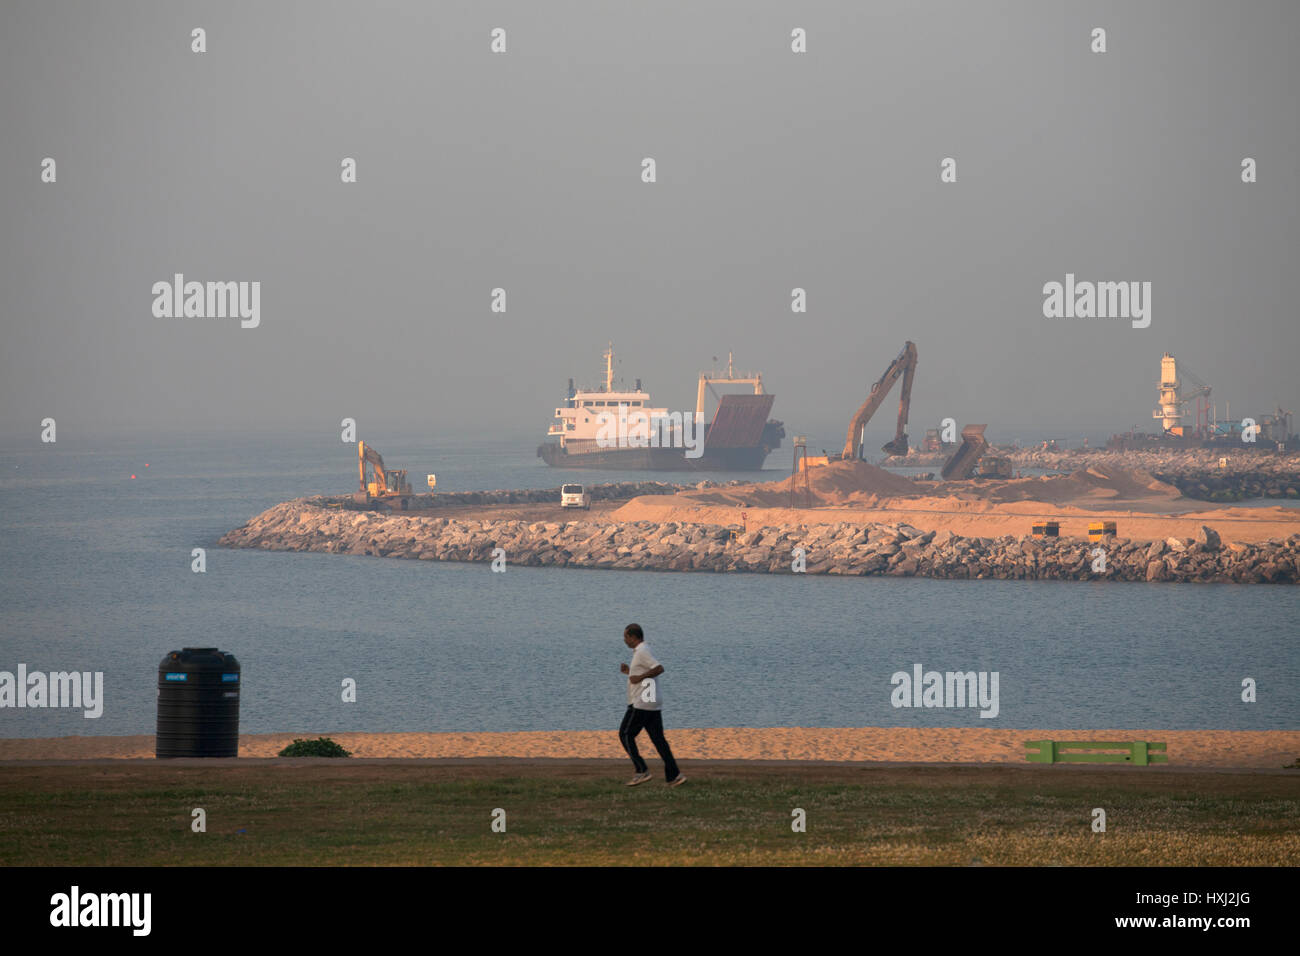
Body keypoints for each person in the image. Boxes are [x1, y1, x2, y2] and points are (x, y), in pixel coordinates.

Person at [617, 623, 685, 787]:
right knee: (658, 740)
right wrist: (630, 672)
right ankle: (674, 775)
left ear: (634, 637)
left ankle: (641, 771)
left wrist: (638, 677)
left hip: (642, 703)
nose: (624, 640)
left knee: (625, 734)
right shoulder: (642, 651)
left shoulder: (642, 652)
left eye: (626, 636)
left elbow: (659, 668)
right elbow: (645, 672)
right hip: (652, 702)